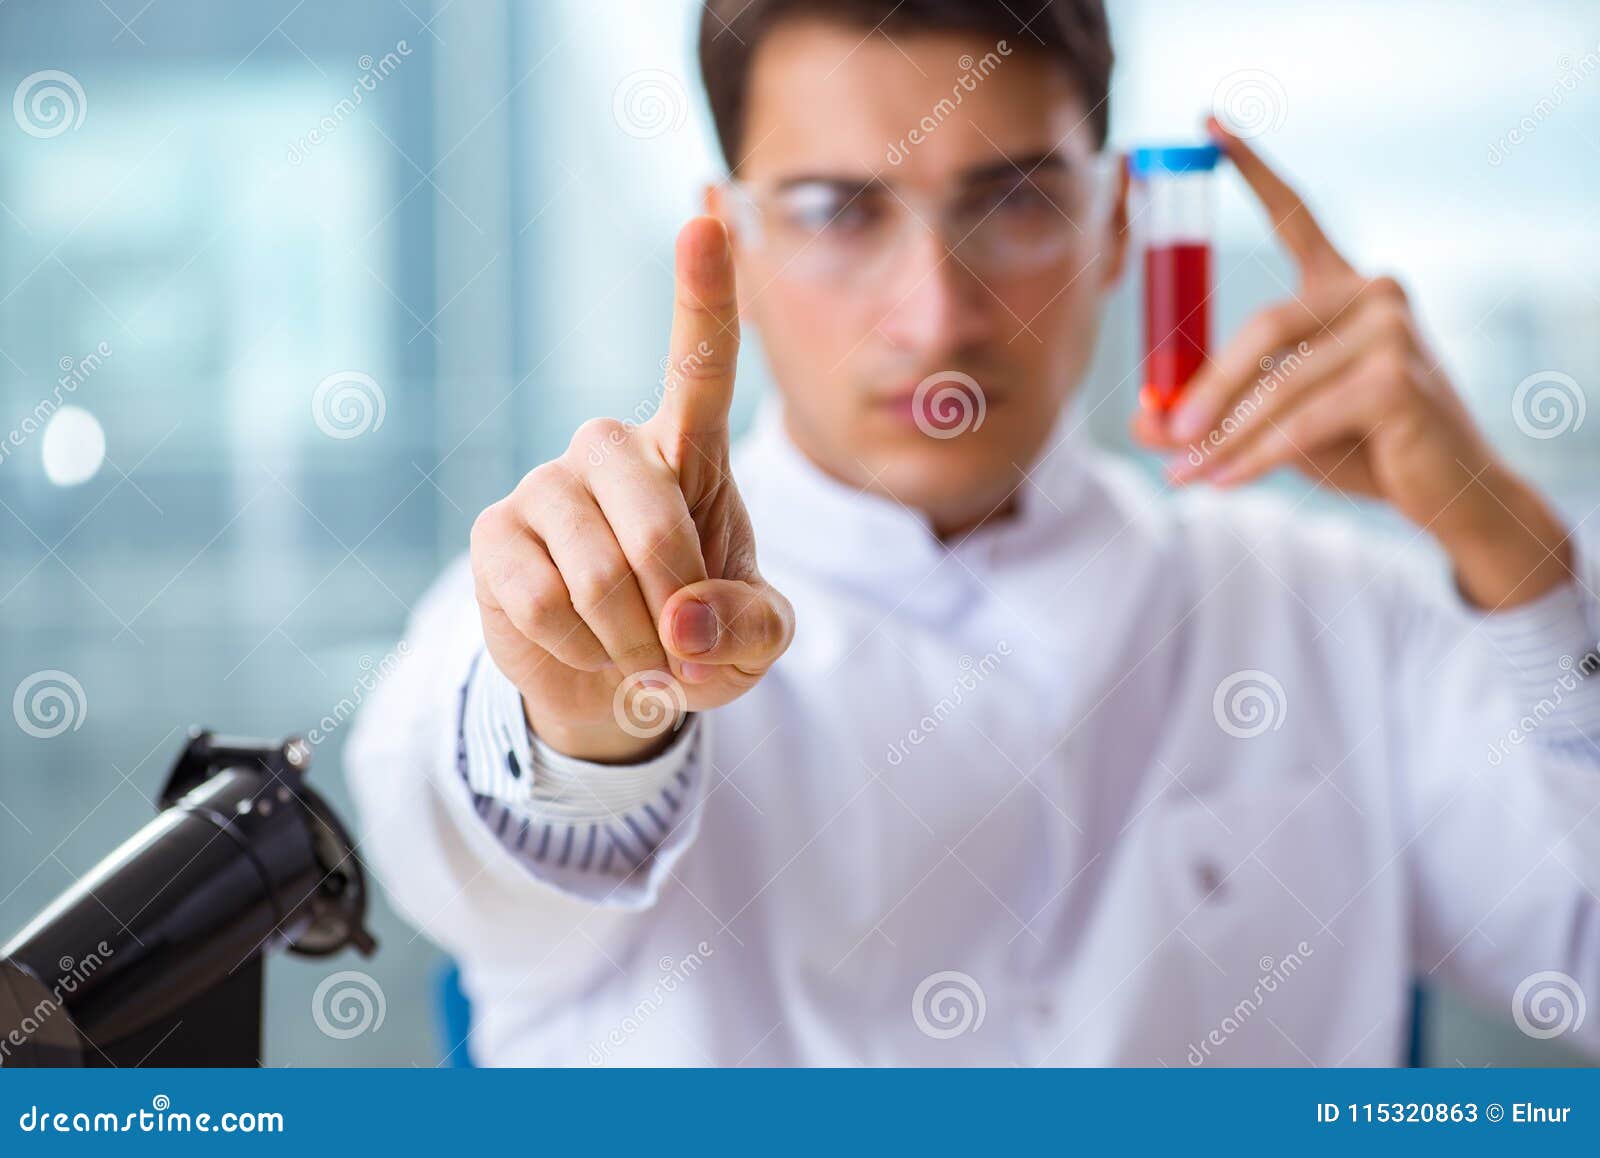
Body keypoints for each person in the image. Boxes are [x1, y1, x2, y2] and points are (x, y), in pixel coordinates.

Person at [346, 0, 1600, 1066]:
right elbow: (465, 834)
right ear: (729, 239)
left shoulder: (1330, 611)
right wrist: (596, 722)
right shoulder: (566, 594)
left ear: (1115, 230)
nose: (936, 314)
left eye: (1012, 204)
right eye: (841, 209)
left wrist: (1512, 551)